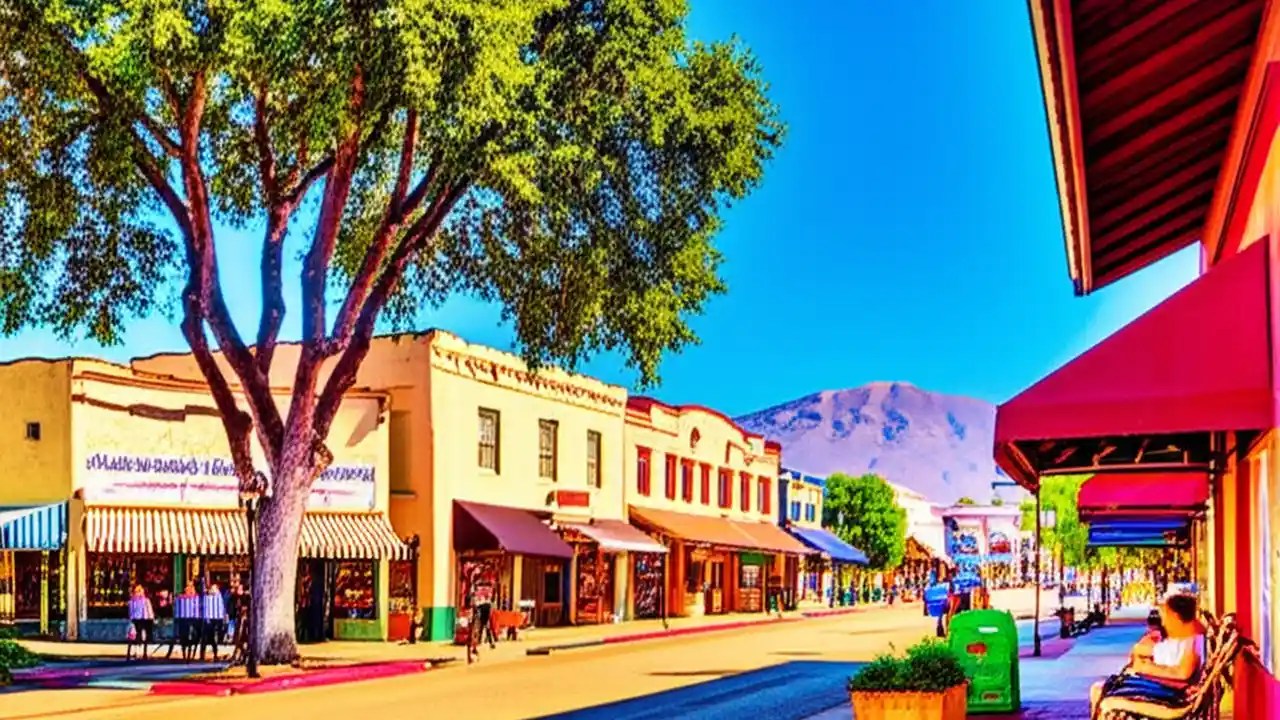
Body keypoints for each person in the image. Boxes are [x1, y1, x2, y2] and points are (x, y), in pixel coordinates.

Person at [1090, 594, 1204, 712]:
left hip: (1168, 694)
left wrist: (1145, 668)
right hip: (1164, 688)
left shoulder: (1192, 641)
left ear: (1175, 617)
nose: (1163, 623)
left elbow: (1182, 674)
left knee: (1100, 692)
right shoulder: (1187, 637)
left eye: (1165, 617)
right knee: (1100, 689)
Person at [173, 583, 202, 661]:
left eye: (191, 588)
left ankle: (192, 652)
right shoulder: (180, 598)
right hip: (183, 618)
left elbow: (199, 607)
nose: (189, 590)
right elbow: (176, 608)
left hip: (194, 618)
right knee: (183, 636)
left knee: (194, 635)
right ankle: (184, 654)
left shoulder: (197, 597)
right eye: (187, 589)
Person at [201, 581, 228, 661]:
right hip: (208, 619)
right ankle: (202, 655)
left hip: (217, 619)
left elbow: (223, 609)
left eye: (214, 589)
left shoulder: (220, 597)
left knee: (213, 638)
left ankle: (215, 654)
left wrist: (224, 619)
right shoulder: (207, 597)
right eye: (212, 588)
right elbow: (205, 608)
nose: (212, 590)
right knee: (205, 638)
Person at [126, 585, 155, 661]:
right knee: (140, 631)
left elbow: (149, 611)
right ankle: (139, 647)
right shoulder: (133, 601)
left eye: (140, 591)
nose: (139, 593)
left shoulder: (144, 600)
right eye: (137, 591)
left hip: (144, 620)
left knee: (146, 629)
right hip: (138, 621)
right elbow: (131, 613)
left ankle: (143, 647)